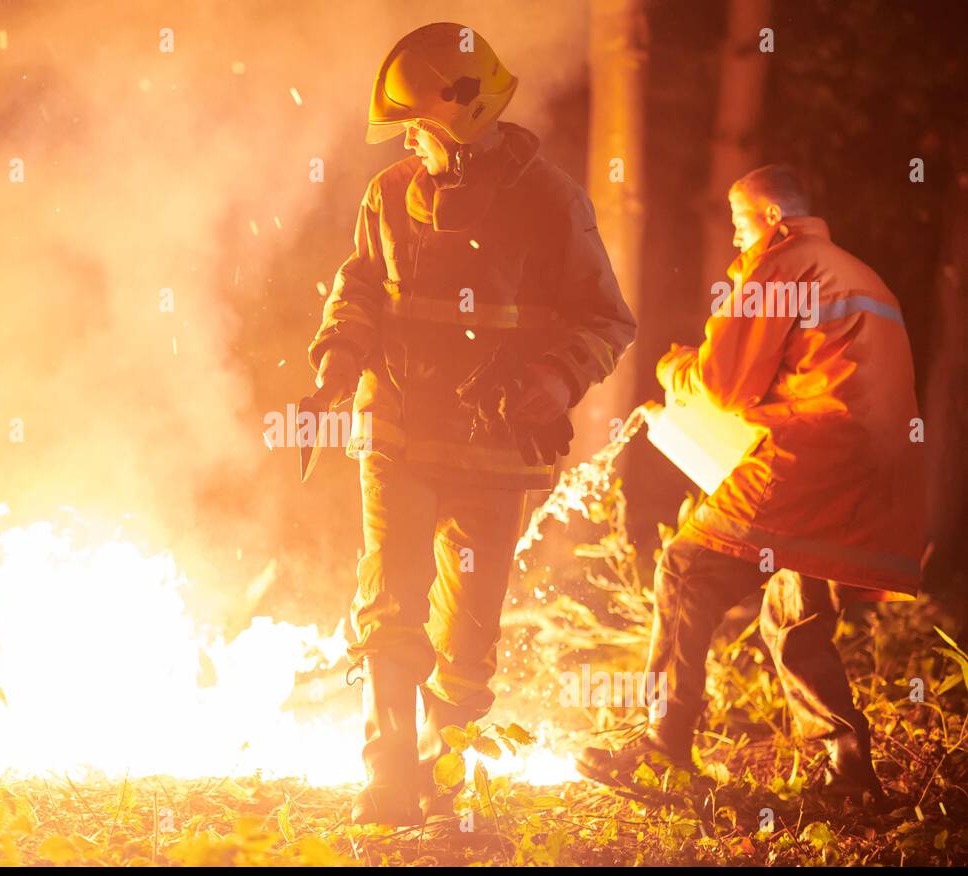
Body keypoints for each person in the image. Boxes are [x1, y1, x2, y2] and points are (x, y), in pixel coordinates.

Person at [309, 22, 636, 825]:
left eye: (419, 124)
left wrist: (554, 380)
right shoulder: (388, 195)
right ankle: (387, 775)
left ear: (465, 109)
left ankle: (442, 768)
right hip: (394, 433)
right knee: (390, 599)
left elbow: (606, 319)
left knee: (466, 635)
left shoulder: (551, 201)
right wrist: (336, 361)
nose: (411, 141)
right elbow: (357, 292)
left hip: (494, 452)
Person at [576, 164, 925, 801]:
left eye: (739, 225)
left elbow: (726, 385)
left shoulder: (782, 264)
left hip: (813, 455)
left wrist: (677, 368)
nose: (737, 241)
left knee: (685, 570)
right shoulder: (858, 273)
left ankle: (660, 746)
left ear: (769, 218)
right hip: (879, 473)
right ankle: (848, 771)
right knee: (795, 607)